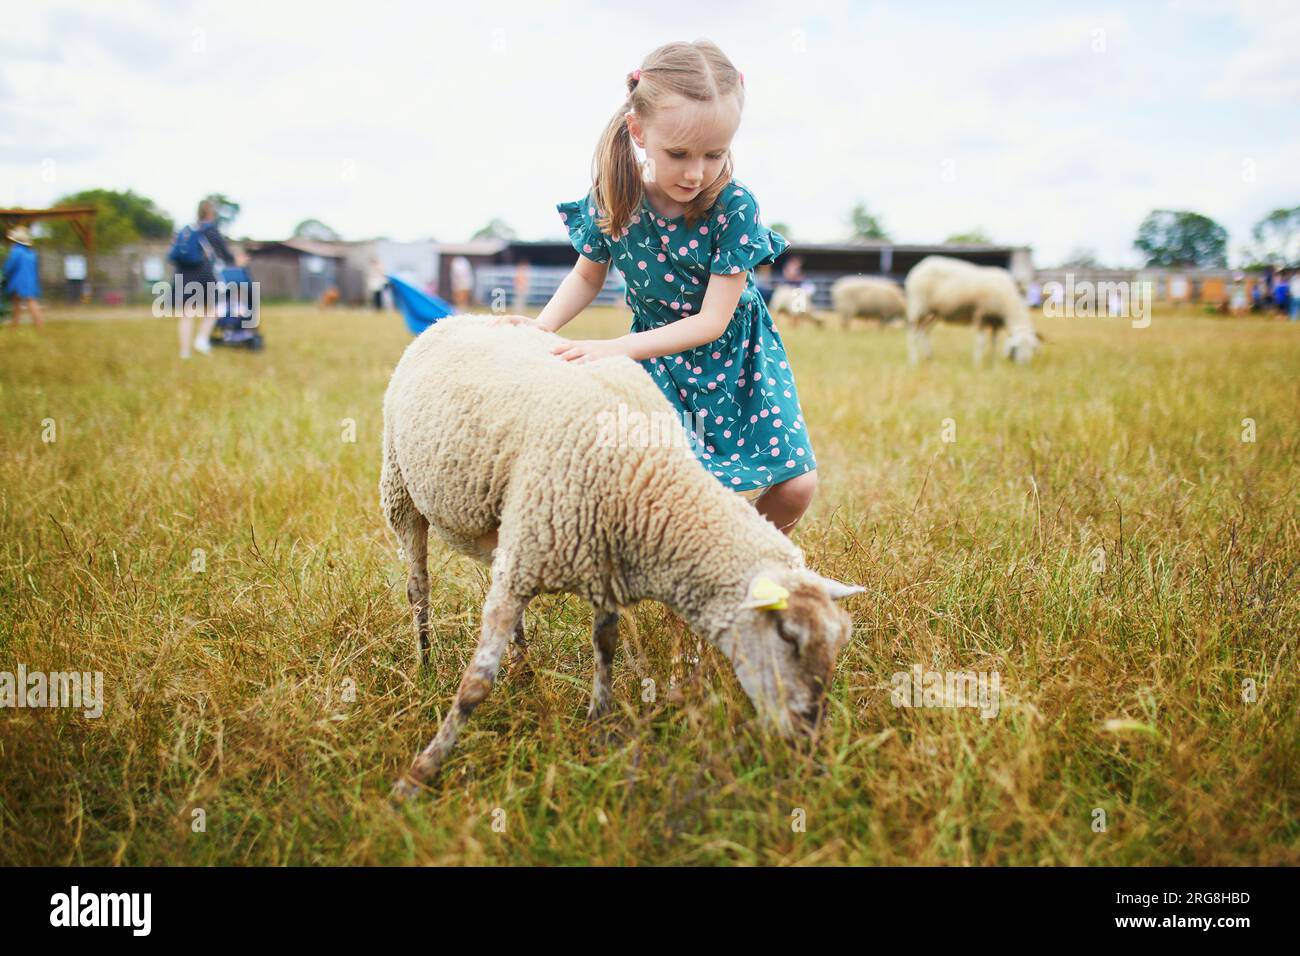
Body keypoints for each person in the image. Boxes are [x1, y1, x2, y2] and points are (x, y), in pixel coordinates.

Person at [530, 41, 818, 535]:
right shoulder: (614, 197)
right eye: (679, 153)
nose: (695, 172)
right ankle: (680, 566)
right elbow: (586, 274)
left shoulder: (733, 206)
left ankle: (736, 559)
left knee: (796, 488)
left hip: (739, 360)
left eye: (714, 154)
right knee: (663, 488)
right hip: (657, 359)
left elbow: (712, 321)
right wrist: (539, 330)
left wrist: (614, 350)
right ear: (638, 131)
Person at [169, 198, 245, 359]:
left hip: (183, 274)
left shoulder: (187, 229)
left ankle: (185, 352)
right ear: (210, 213)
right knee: (215, 308)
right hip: (203, 273)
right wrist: (234, 261)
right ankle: (202, 340)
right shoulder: (209, 229)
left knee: (186, 314)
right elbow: (224, 252)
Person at [3, 225, 44, 329]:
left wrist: (5, 273)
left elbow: (10, 266)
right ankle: (37, 325)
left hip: (18, 281)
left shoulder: (16, 251)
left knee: (18, 303)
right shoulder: (31, 253)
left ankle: (16, 325)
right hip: (31, 281)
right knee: (31, 302)